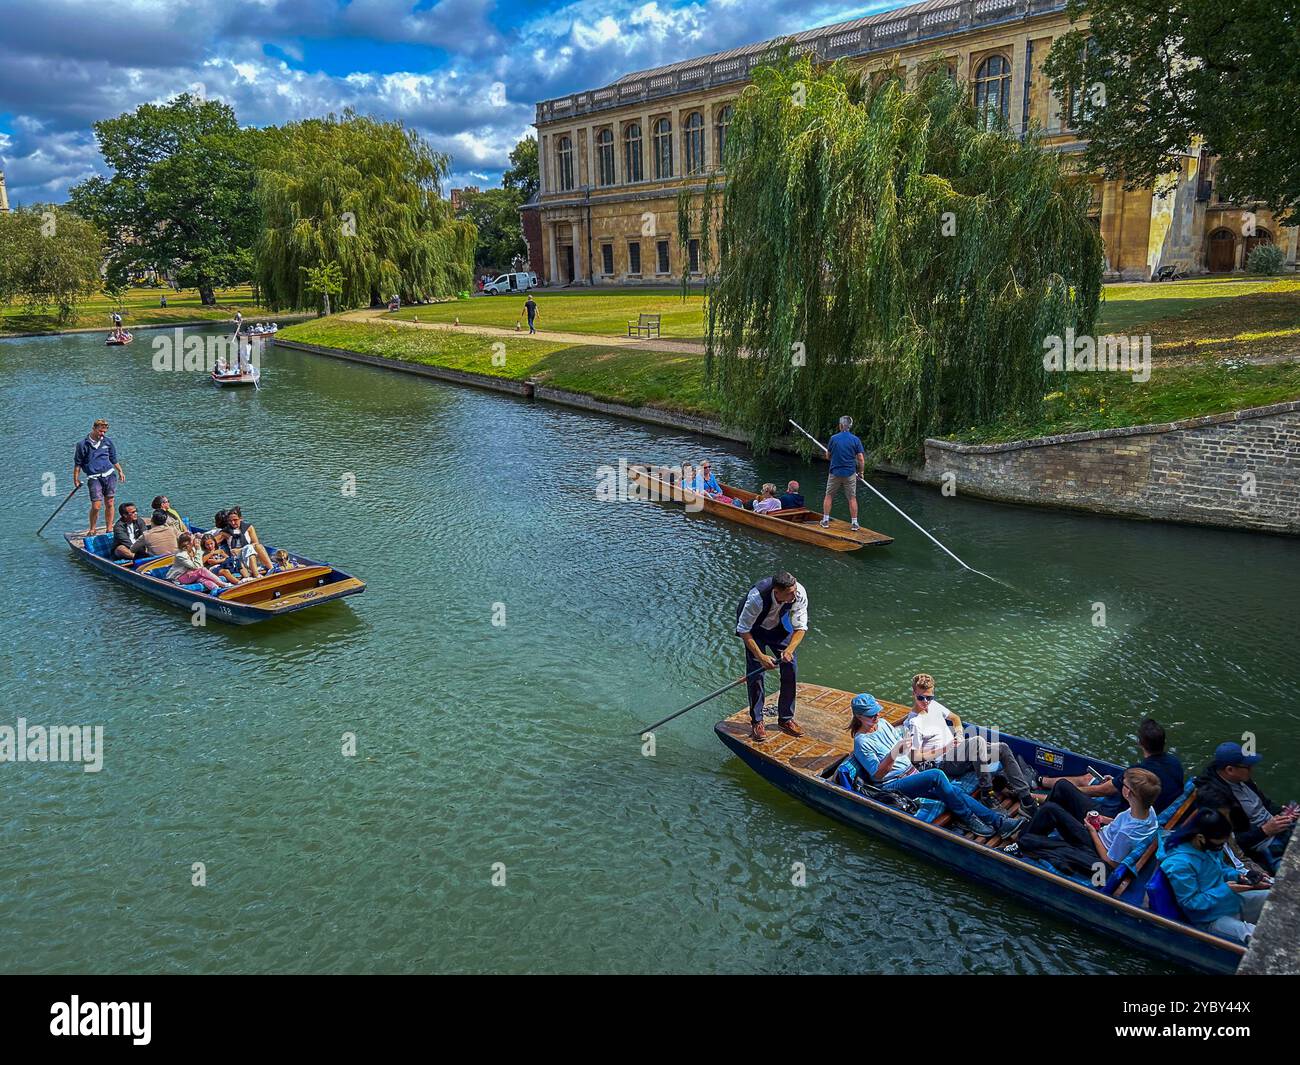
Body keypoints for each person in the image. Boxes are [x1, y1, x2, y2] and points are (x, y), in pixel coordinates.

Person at [848, 694, 1025, 838]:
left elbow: (906, 752)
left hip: (912, 773)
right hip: (893, 785)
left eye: (877, 712)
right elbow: (878, 775)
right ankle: (967, 818)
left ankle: (999, 823)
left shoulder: (884, 724)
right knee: (937, 775)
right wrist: (894, 752)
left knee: (955, 791)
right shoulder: (861, 742)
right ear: (859, 716)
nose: (876, 716)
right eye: (871, 715)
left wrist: (908, 747)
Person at [901, 673, 1040, 813]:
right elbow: (915, 757)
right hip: (944, 762)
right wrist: (944, 748)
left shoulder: (935, 706)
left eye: (929, 697)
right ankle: (987, 794)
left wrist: (959, 735)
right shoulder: (913, 723)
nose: (925, 701)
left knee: (1003, 748)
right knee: (977, 742)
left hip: (958, 751)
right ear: (913, 694)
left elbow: (955, 718)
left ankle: (1026, 799)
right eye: (921, 698)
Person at [1007, 769, 1161, 877]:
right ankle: (1035, 829)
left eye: (1124, 785)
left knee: (1050, 810)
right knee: (1062, 786)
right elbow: (1119, 822)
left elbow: (1110, 862)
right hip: (1103, 830)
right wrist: (1102, 819)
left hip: (1095, 847)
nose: (1121, 786)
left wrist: (1092, 831)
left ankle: (1022, 843)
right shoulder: (1148, 811)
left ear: (1127, 793)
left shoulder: (1127, 834)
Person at [1159, 810, 1271, 944]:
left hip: (1229, 901)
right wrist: (1226, 889)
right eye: (1219, 844)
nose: (1221, 847)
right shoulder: (1179, 865)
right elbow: (1191, 903)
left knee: (1274, 896)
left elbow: (1221, 868)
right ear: (1200, 838)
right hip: (1208, 919)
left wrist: (1240, 876)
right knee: (1257, 936)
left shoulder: (1210, 846)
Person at [1039, 717, 1185, 816]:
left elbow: (1099, 792)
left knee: (1065, 790)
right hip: (1157, 809)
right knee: (1089, 778)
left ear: (1140, 743)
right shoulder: (1175, 762)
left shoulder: (1137, 772)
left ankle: (1029, 795)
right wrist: (1116, 781)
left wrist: (1071, 791)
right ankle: (1040, 780)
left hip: (1112, 812)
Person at [1193, 742, 1296, 874]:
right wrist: (1265, 830)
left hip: (1277, 828)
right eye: (1247, 766)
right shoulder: (1215, 799)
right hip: (1262, 844)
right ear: (1230, 770)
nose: (1252, 768)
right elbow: (1232, 841)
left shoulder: (1242, 778)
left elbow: (1266, 803)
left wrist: (1282, 812)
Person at [736, 572, 808, 741]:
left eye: (794, 590)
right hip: (754, 631)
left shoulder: (799, 593)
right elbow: (743, 629)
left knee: (790, 666)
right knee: (756, 673)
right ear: (777, 591)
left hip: (778, 628)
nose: (794, 595)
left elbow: (801, 627)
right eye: (789, 593)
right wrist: (761, 657)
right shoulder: (756, 598)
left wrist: (789, 650)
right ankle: (757, 721)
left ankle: (785, 719)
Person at [73, 418, 126, 536]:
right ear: (94, 429)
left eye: (104, 432)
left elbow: (113, 459)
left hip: (109, 475)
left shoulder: (107, 442)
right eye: (100, 431)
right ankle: (92, 528)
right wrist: (75, 479)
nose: (102, 434)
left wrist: (120, 471)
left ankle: (109, 528)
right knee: (96, 506)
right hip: (94, 477)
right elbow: (78, 464)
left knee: (110, 503)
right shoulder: (82, 445)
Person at [820, 415, 865, 532]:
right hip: (850, 473)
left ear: (840, 425)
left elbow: (828, 456)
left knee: (829, 495)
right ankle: (854, 523)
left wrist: (833, 457)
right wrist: (861, 472)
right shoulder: (856, 440)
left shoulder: (834, 438)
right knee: (852, 498)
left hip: (835, 472)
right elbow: (860, 458)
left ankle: (825, 520)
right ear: (850, 426)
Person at [166, 533, 232, 593]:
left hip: (189, 573)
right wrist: (198, 550)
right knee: (201, 570)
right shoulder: (181, 555)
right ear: (188, 543)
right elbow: (197, 566)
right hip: (178, 578)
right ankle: (223, 584)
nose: (196, 540)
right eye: (194, 539)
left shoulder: (192, 549)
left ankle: (216, 589)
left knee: (202, 578)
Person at [218, 507, 273, 575]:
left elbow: (255, 542)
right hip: (238, 558)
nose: (233, 523)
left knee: (258, 546)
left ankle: (272, 569)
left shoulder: (249, 528)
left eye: (235, 520)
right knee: (249, 548)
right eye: (230, 521)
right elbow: (212, 541)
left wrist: (241, 549)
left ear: (241, 518)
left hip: (250, 553)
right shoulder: (225, 532)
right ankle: (257, 575)